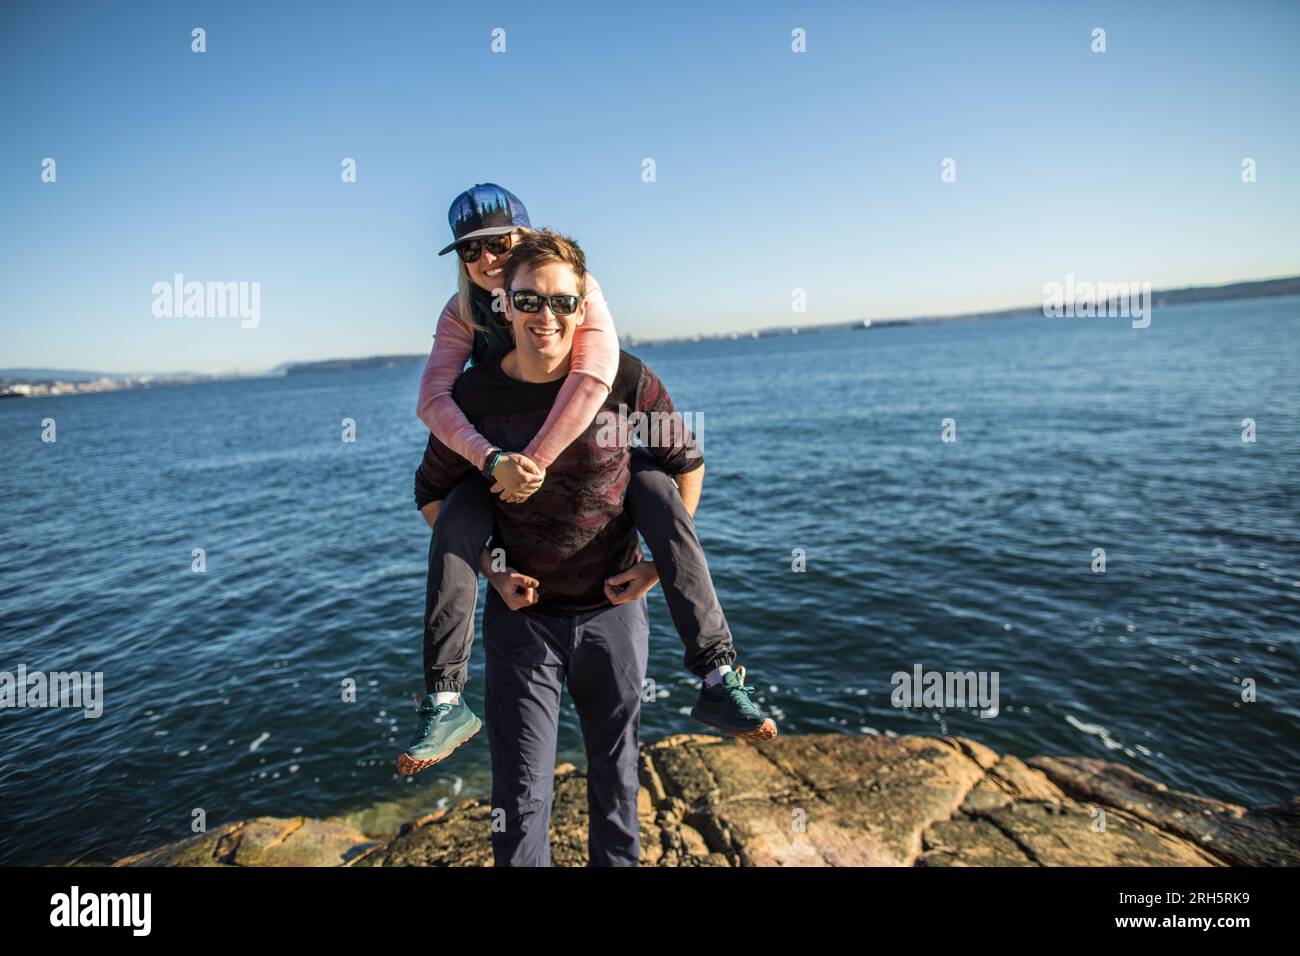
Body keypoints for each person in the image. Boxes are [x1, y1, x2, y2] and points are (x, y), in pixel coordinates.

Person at [398, 185, 775, 777]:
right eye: (472, 252)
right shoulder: (465, 315)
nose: (488, 260)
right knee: (456, 511)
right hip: (501, 484)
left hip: (590, 530)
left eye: (500, 243)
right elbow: (432, 404)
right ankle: (445, 700)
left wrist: (651, 565)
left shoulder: (579, 294)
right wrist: (492, 464)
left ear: (528, 241)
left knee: (654, 489)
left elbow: (600, 374)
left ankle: (718, 675)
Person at [414, 229, 726, 865]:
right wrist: (492, 571)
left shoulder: (626, 380)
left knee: (617, 777)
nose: (544, 317)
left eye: (561, 302)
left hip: (614, 614)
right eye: (528, 301)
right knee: (522, 791)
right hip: (524, 623)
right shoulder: (470, 398)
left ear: (583, 308)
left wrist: (650, 569)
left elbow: (685, 461)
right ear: (507, 306)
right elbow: (433, 497)